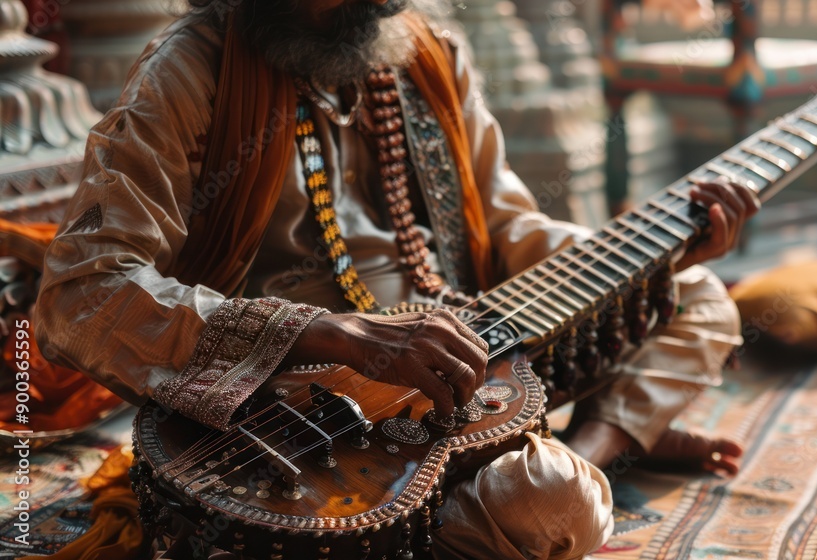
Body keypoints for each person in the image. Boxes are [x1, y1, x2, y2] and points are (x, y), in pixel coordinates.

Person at [35, 0, 758, 556]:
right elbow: (81, 292)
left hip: (474, 358)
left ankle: (592, 444)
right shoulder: (189, 73)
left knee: (696, 295)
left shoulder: (425, 50)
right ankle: (579, 449)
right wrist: (331, 333)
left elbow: (509, 230)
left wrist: (654, 249)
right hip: (304, 413)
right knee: (549, 505)